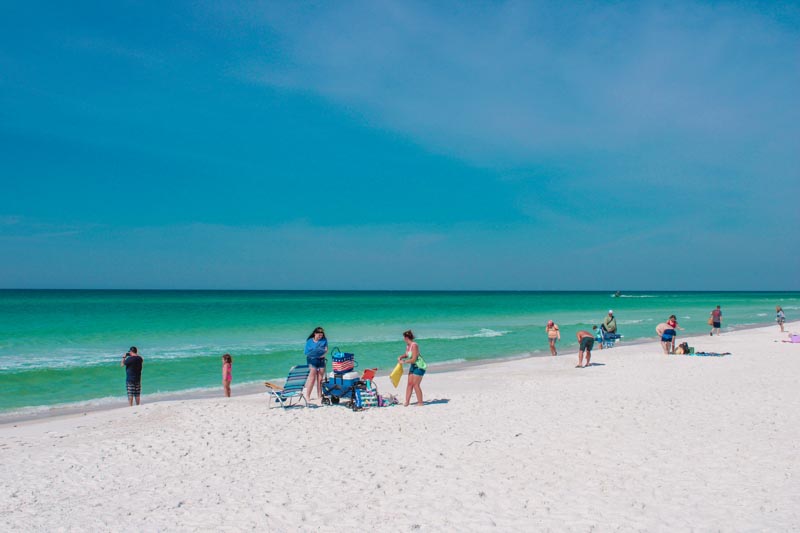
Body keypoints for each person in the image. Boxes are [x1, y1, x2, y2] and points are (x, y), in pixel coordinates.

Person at [398, 329, 426, 406]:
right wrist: (402, 356)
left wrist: (403, 362)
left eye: (404, 337)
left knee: (416, 384)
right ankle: (407, 402)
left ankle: (420, 402)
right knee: (410, 384)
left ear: (406, 338)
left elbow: (413, 359)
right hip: (413, 366)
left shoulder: (414, 345)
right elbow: (407, 354)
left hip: (419, 366)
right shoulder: (408, 346)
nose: (403, 339)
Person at [303, 326, 328, 402]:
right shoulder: (309, 341)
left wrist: (322, 354)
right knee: (312, 378)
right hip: (312, 360)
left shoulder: (324, 340)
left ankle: (319, 395)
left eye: (322, 335)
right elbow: (307, 353)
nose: (320, 337)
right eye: (319, 335)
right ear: (315, 334)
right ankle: (307, 396)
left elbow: (326, 350)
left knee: (320, 379)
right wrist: (316, 353)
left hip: (321, 360)